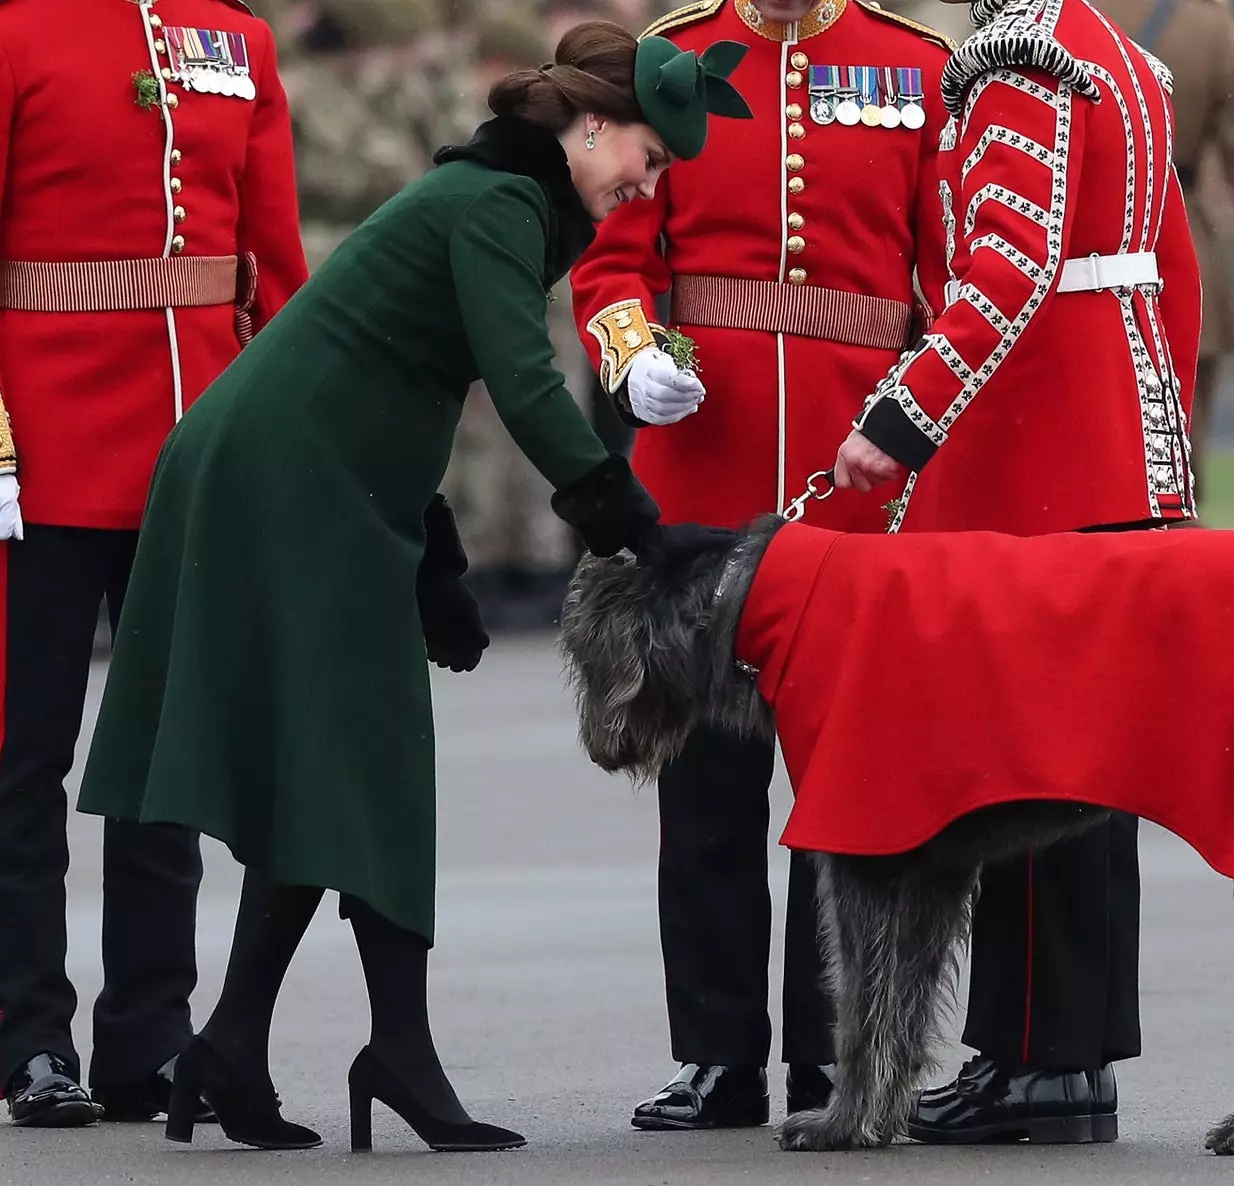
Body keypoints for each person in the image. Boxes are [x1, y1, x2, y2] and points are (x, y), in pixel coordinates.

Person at [74, 23, 752, 1153]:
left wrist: (429, 542)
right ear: (588, 128)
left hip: (320, 476)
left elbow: (395, 366)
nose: (650, 178)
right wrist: (627, 517)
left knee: (337, 768)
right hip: (285, 483)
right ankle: (390, 1051)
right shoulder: (499, 206)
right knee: (370, 755)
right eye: (647, 152)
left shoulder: (508, 202)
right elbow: (519, 375)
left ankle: (237, 1044)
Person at [569, 0, 953, 1131]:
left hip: (857, 480)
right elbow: (613, 262)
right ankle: (718, 1053)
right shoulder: (672, 60)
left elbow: (943, 277)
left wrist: (920, 427)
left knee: (852, 792)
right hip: (705, 473)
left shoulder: (912, 66)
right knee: (703, 794)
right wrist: (633, 359)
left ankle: (839, 1057)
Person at [832, 0, 1202, 1145]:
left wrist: (901, 420)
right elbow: (1173, 274)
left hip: (1042, 455)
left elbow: (1007, 266)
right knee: (1087, 781)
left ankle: (1038, 1058)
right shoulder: (1126, 62)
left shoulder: (1020, 60)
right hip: (1116, 450)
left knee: (1030, 774)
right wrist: (1165, 448)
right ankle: (1066, 1058)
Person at [0, 0, 306, 1127]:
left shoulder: (233, 37)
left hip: (193, 445)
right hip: (37, 452)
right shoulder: (18, 31)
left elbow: (270, 262)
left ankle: (149, 1034)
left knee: (163, 758)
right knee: (22, 750)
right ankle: (32, 1035)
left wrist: (295, 431)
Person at [1097, 0, 1234, 501]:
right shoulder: (1205, 24)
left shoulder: (1035, 16)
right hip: (1173, 260)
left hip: (1056, 263)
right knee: (1171, 494)